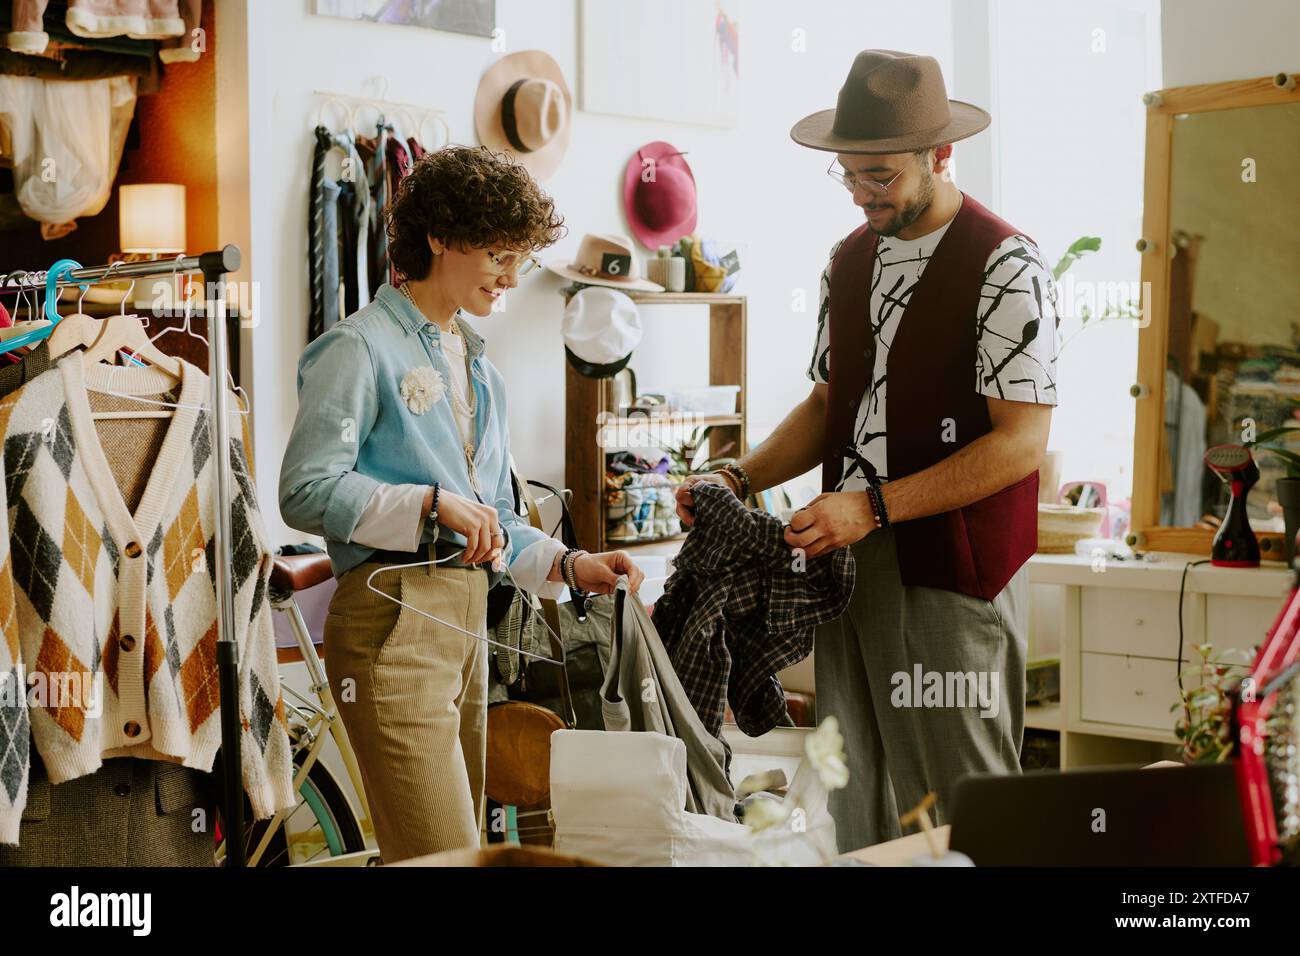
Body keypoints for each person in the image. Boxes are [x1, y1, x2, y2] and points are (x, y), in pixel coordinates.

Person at [676, 50, 1059, 852]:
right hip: (845, 574)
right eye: (849, 176)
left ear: (940, 155)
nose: (861, 194)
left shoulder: (1006, 263)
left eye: (879, 176)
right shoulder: (849, 261)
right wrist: (738, 476)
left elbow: (1021, 443)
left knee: (961, 807)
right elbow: (827, 404)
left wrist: (875, 505)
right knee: (853, 794)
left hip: (952, 574)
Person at [280, 145, 644, 862]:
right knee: (439, 855)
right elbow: (305, 488)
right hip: (392, 621)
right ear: (441, 238)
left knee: (465, 851)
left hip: (468, 624)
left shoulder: (482, 370)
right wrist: (430, 504)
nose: (511, 278)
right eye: (498, 255)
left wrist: (573, 565)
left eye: (522, 259)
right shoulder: (357, 349)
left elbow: (496, 517)